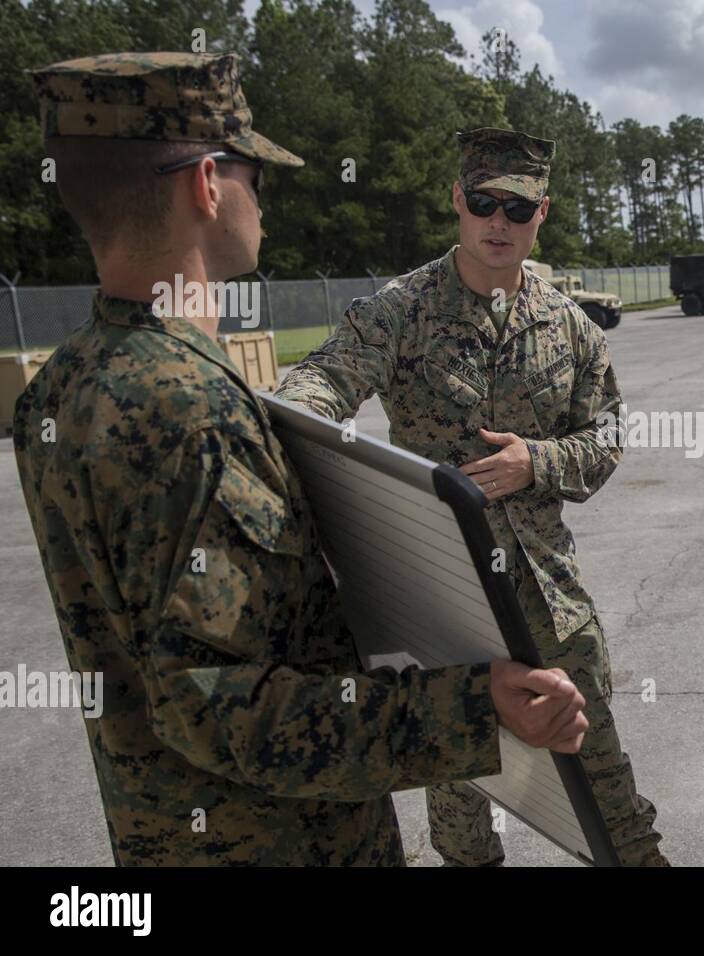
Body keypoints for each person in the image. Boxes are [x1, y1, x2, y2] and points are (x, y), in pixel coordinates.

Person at [15, 52, 587, 867]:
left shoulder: (64, 384)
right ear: (207, 185)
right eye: (255, 173)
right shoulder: (194, 412)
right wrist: (473, 709)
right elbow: (217, 703)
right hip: (281, 842)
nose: (263, 197)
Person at [275, 127, 666, 866]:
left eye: (517, 210)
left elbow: (608, 435)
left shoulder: (570, 326)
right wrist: (301, 440)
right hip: (445, 587)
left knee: (594, 753)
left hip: (547, 590)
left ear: (541, 214)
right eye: (483, 202)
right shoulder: (402, 310)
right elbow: (319, 383)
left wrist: (539, 460)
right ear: (457, 200)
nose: (498, 222)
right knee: (458, 775)